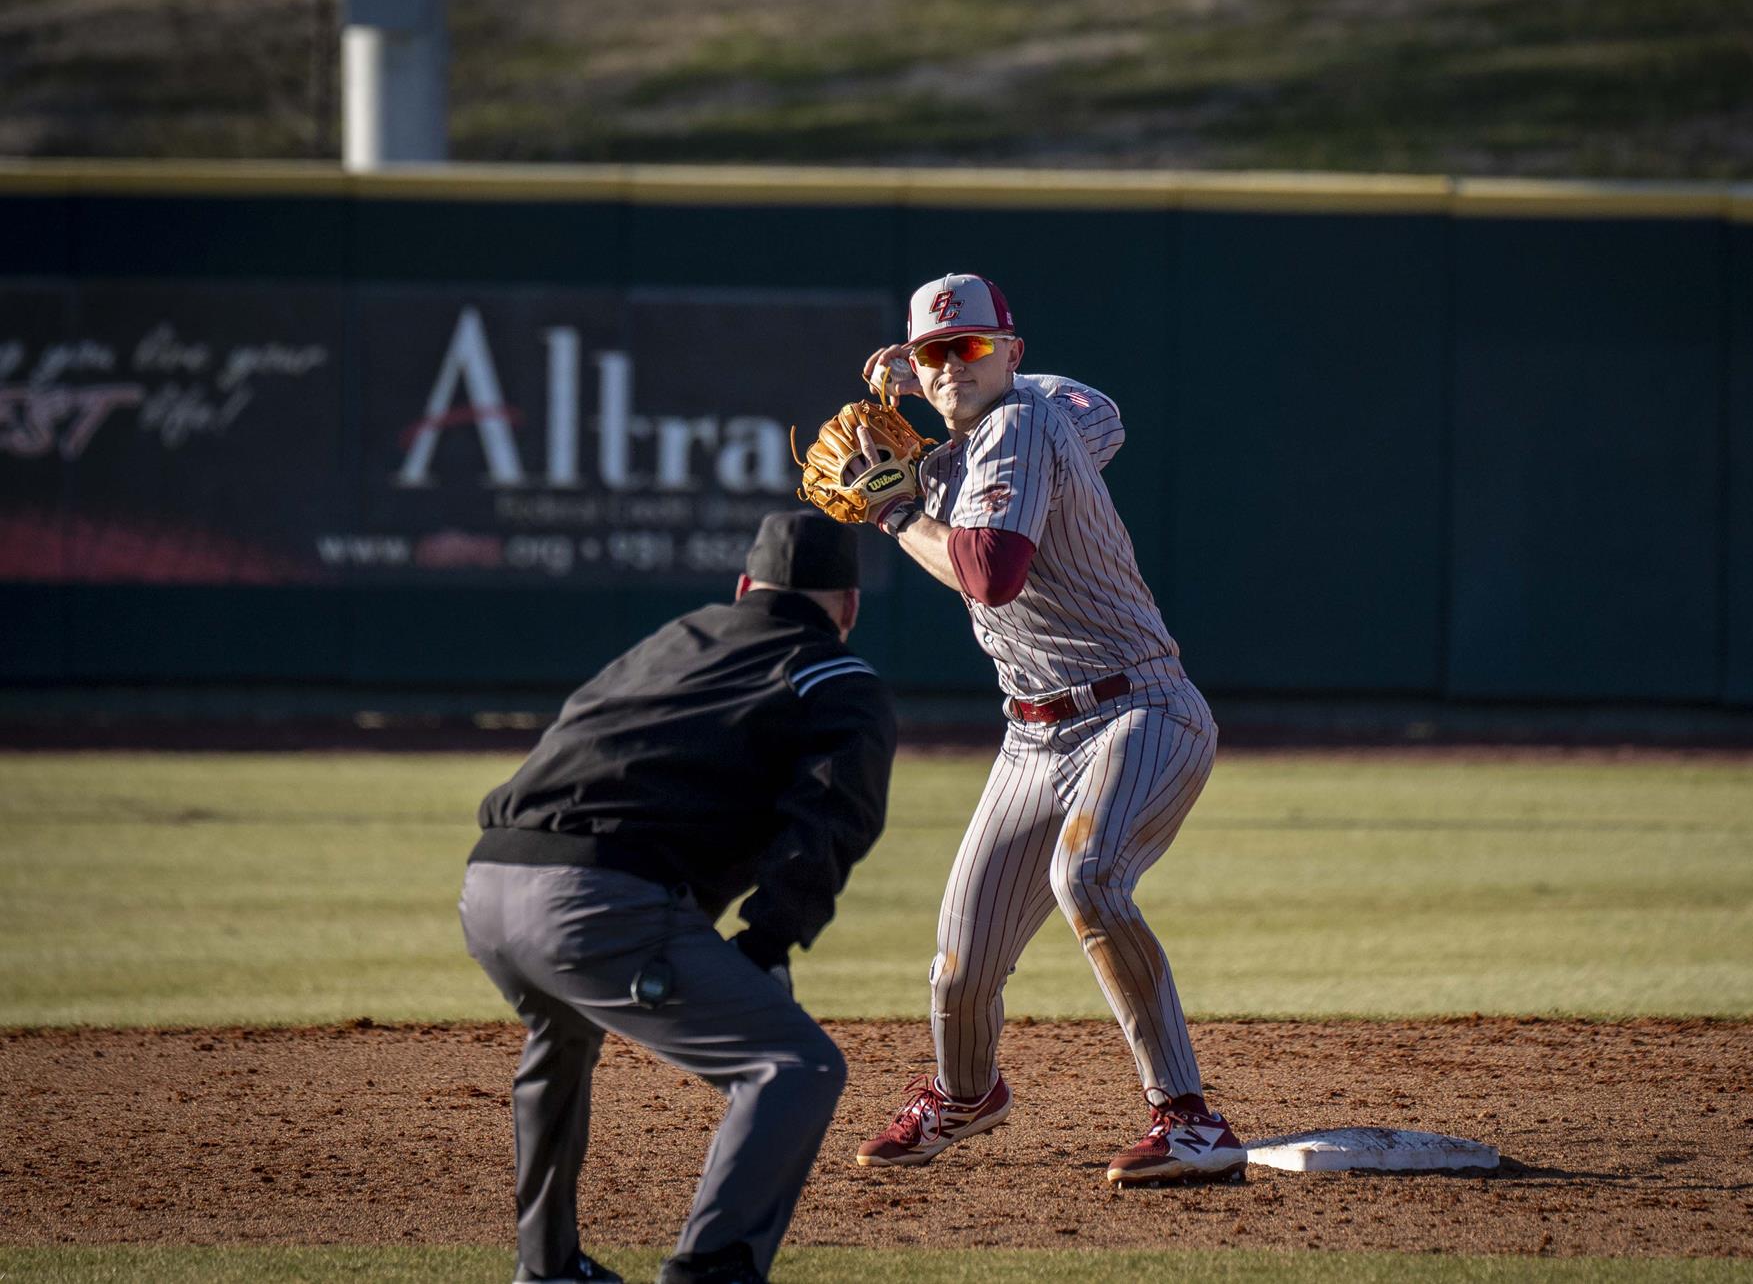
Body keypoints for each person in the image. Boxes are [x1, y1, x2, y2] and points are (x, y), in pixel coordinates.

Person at [844, 272, 1246, 1185]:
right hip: (1033, 736)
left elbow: (990, 573)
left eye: (973, 347)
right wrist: (921, 416)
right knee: (960, 964)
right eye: (934, 353)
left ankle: (1189, 1118)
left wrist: (898, 512)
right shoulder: (1031, 421)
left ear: (1011, 354)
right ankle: (964, 1092)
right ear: (913, 364)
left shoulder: (1020, 423)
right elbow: (1102, 407)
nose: (954, 366)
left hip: (1142, 706)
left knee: (1089, 874)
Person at [459, 511, 896, 1284]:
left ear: (741, 588)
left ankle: (548, 1267)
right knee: (794, 1065)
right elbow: (832, 821)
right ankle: (708, 1271)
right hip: (592, 904)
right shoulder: (835, 676)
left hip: (490, 883)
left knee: (560, 1037)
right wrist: (764, 943)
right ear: (849, 607)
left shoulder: (674, 638)